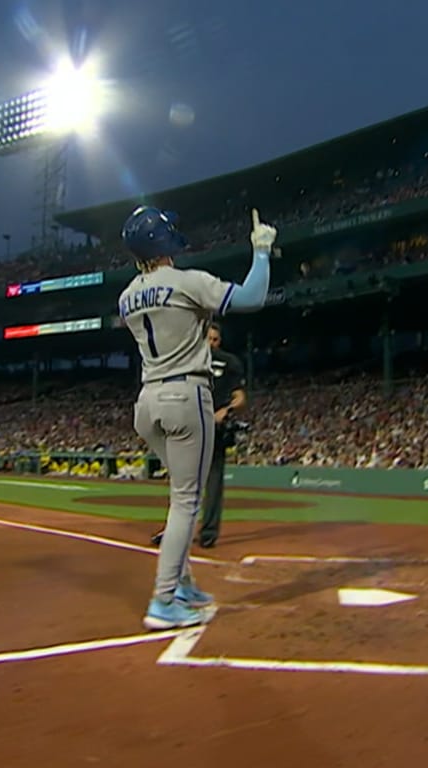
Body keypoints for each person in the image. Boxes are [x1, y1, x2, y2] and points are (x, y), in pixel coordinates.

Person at [119, 205, 276, 631]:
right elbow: (252, 298)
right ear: (166, 242)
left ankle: (184, 585)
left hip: (146, 403)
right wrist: (261, 251)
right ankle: (163, 599)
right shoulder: (188, 282)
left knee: (180, 496)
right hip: (186, 395)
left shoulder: (127, 295)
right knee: (187, 501)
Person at [150, 321, 248, 548]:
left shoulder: (230, 362)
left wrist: (227, 410)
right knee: (182, 484)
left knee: (213, 484)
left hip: (215, 429)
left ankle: (208, 534)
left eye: (215, 340)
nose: (212, 344)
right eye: (208, 339)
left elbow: (241, 398)